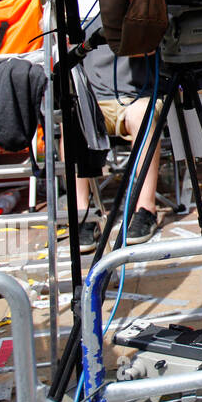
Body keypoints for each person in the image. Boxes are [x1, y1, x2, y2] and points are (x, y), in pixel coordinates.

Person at [74, 45, 162, 251]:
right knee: (72, 116)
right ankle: (82, 213)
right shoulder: (75, 12)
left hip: (138, 94)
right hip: (94, 98)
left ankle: (146, 208)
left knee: (143, 115)